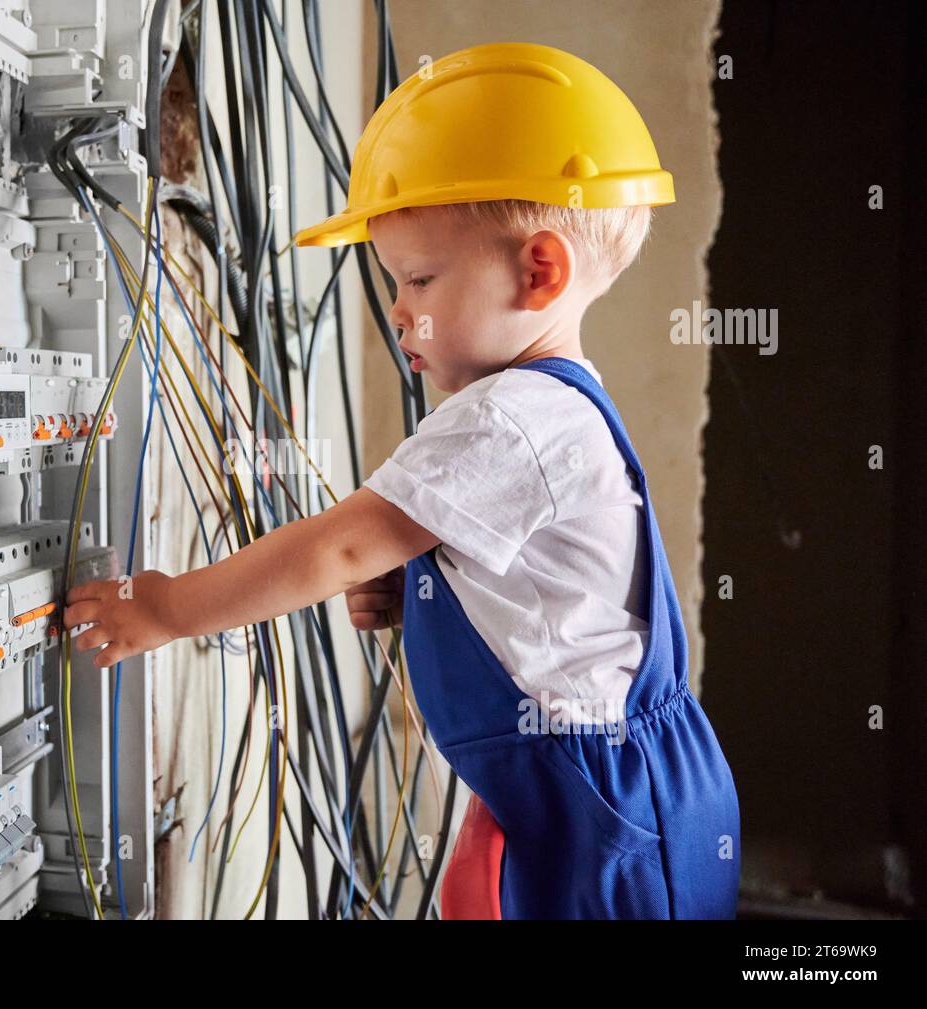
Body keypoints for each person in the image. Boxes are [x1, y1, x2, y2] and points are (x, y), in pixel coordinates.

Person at [62, 42, 740, 919]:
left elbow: (339, 542)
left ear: (541, 272)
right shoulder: (558, 405)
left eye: (419, 277)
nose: (397, 307)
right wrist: (432, 582)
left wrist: (166, 609)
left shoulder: (506, 416)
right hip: (606, 785)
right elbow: (544, 593)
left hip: (595, 809)